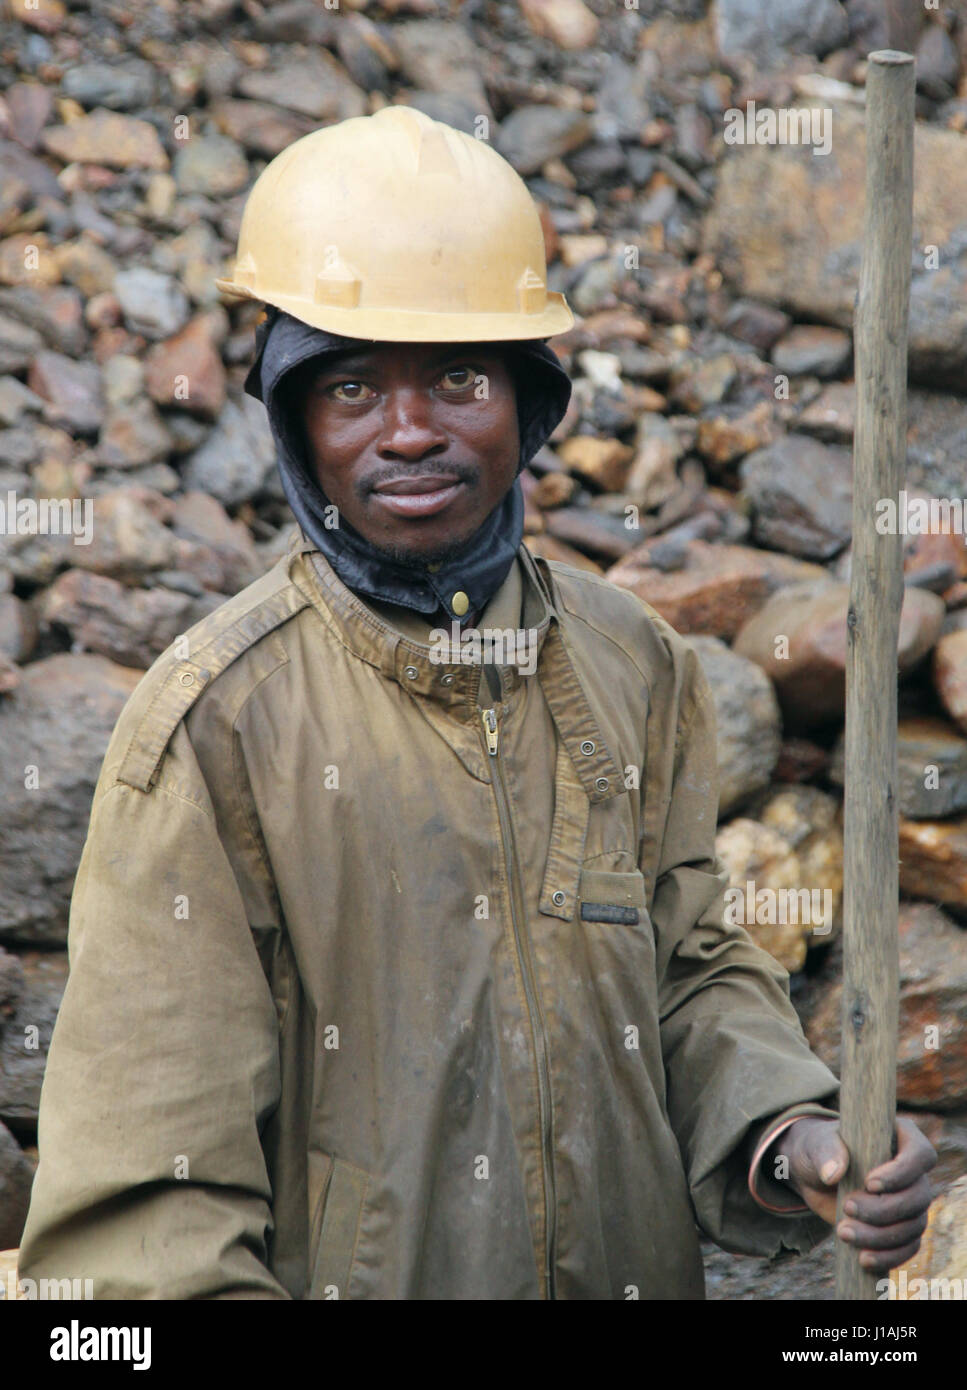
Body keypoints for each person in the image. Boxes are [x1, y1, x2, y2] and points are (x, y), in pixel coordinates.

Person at [18, 107, 935, 1300]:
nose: (408, 433)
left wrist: (788, 1135)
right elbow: (149, 1194)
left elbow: (687, 969)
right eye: (351, 387)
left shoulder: (632, 665)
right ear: (295, 419)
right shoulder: (216, 721)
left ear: (529, 401)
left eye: (456, 378)